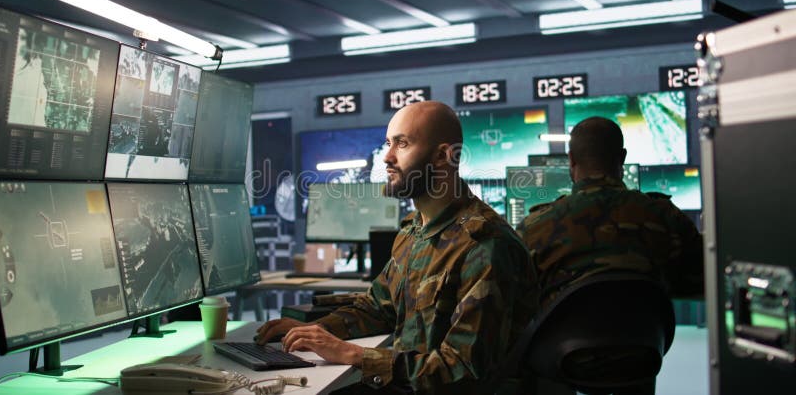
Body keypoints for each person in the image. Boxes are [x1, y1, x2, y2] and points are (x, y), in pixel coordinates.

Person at [256, 101, 537, 394]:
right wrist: (319, 332)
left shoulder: (485, 246)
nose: (387, 158)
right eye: (388, 143)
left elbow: (464, 369)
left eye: (402, 144)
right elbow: (379, 308)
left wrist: (355, 355)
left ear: (442, 156)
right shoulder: (414, 231)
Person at [517, 116, 703, 308]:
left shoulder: (535, 228)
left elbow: (514, 297)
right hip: (645, 336)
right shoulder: (667, 217)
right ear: (622, 158)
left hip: (559, 337)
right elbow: (703, 278)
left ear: (571, 160)